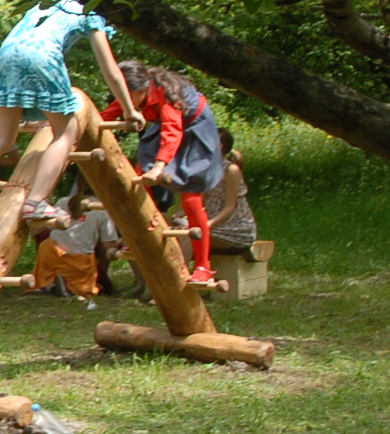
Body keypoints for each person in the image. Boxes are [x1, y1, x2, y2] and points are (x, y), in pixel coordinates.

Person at [0, 0, 139, 232]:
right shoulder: (91, 9)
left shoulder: (45, 4)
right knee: (66, 133)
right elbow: (111, 70)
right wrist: (130, 110)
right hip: (43, 56)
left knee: (2, 136)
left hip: (7, 54)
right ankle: (36, 202)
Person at [100, 61, 226, 284]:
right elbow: (108, 114)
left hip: (194, 128)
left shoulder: (167, 93)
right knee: (138, 175)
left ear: (140, 89)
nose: (124, 101)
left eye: (127, 95)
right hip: (172, 126)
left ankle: (203, 267)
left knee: (191, 199)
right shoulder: (134, 89)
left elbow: (172, 131)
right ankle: (147, 232)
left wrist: (160, 166)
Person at [34, 186, 121, 298]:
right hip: (77, 260)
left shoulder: (63, 201)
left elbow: (39, 229)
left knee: (50, 241)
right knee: (103, 287)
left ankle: (48, 282)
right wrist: (120, 243)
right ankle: (68, 287)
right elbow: (109, 246)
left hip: (50, 251)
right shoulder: (102, 210)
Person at [203, 128, 258, 254]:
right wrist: (178, 216)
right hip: (212, 227)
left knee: (192, 239)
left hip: (235, 230)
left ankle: (186, 272)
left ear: (220, 146)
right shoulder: (207, 169)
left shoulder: (231, 170)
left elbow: (230, 207)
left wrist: (208, 224)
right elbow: (200, 201)